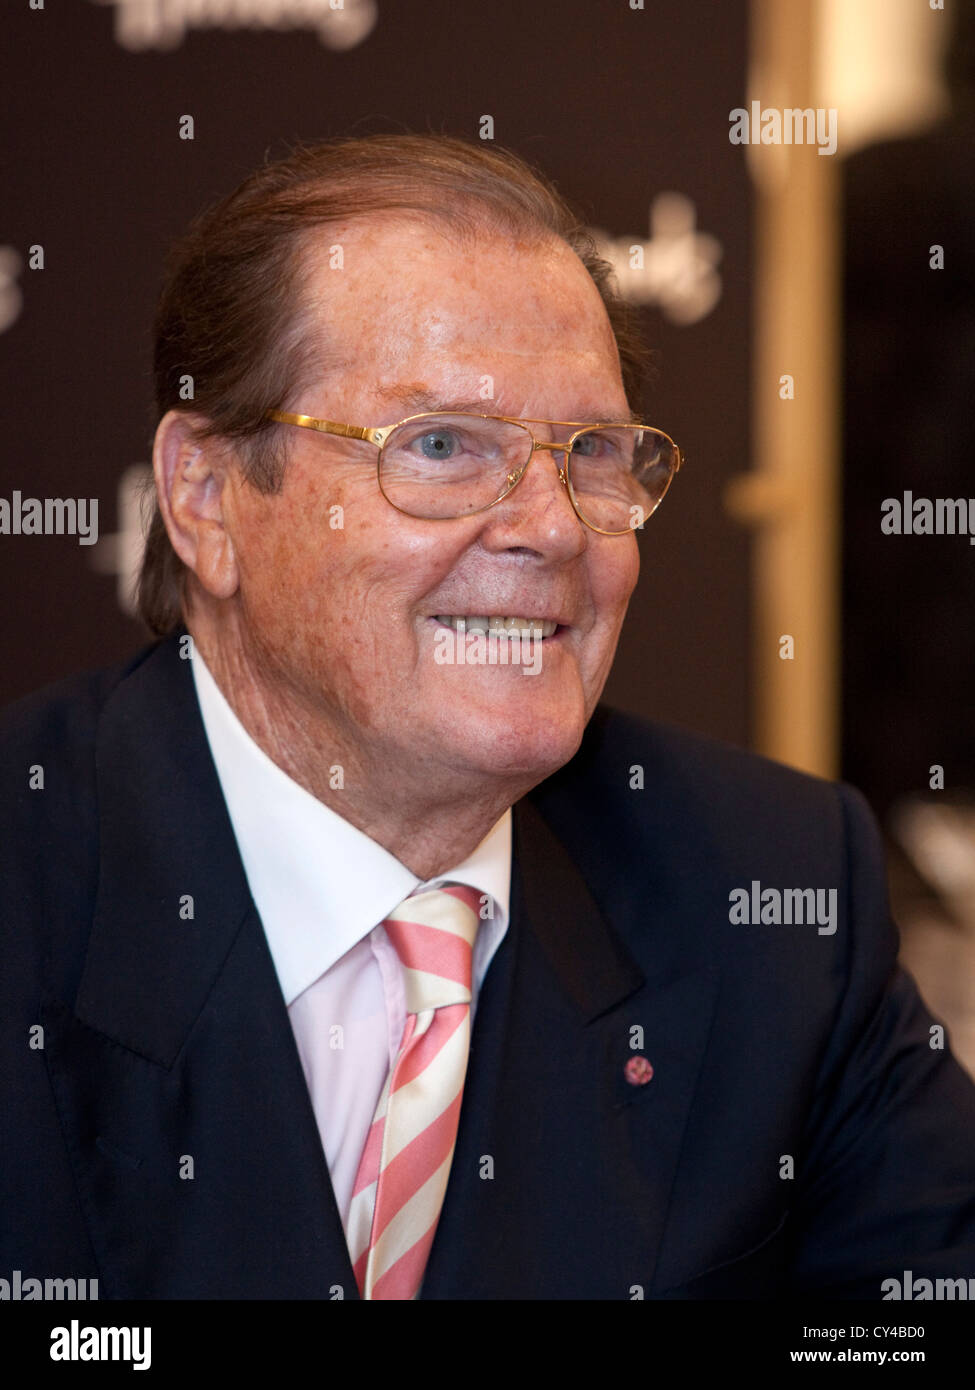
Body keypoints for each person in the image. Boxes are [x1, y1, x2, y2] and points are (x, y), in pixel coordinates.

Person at [2, 134, 974, 1302]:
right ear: (207, 499)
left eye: (593, 456)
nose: (554, 528)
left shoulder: (775, 899)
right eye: (445, 447)